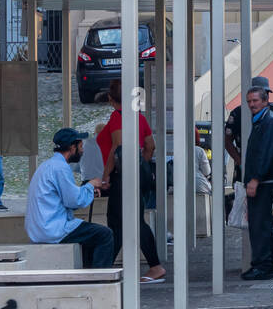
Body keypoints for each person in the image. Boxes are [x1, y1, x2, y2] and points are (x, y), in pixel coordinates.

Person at [97, 79, 167, 284]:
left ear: (110, 99)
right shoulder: (139, 118)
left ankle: (155, 266)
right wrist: (139, 166)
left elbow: (117, 146)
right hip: (134, 176)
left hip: (121, 177)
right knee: (121, 221)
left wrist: (106, 175)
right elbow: (150, 146)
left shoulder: (117, 118)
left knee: (127, 221)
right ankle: (104, 267)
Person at [25, 128, 114, 269]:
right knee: (105, 235)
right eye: (81, 146)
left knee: (89, 235)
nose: (83, 150)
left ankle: (88, 275)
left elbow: (67, 196)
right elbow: (74, 201)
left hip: (40, 228)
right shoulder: (61, 168)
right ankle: (100, 280)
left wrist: (88, 191)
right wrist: (91, 185)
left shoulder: (47, 165)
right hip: (53, 229)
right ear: (72, 148)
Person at [242, 85, 273, 280]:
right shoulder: (261, 121)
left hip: (265, 179)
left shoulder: (269, 122)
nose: (252, 104)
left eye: (255, 101)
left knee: (258, 222)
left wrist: (255, 179)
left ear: (265, 101)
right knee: (259, 222)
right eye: (249, 101)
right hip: (263, 178)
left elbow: (266, 153)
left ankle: (263, 264)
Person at [225, 75, 273, 183]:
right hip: (245, 169)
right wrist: (240, 161)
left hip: (272, 170)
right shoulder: (238, 113)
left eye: (266, 94)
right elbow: (227, 140)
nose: (265, 97)